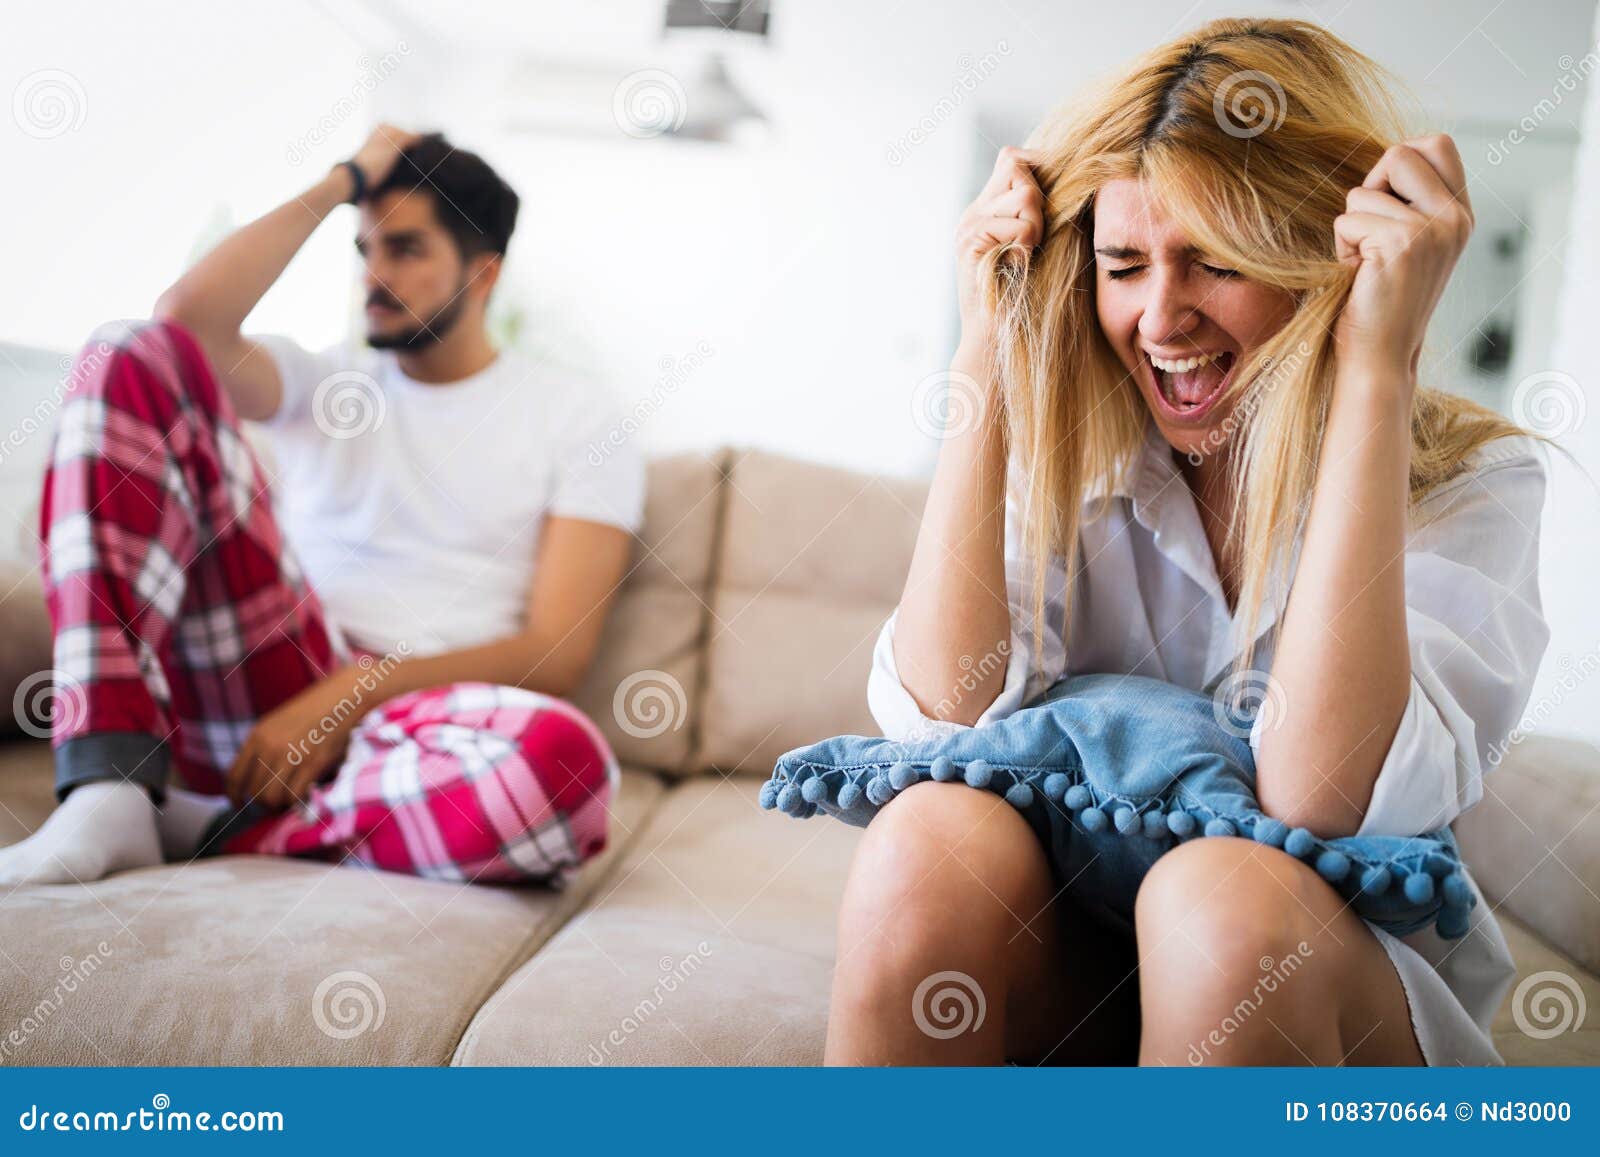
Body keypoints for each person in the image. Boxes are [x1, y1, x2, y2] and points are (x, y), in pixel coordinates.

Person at [833, 18, 1549, 1066]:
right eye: (1122, 265)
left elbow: (1319, 798)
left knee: (1216, 895)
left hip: (1311, 982)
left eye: (1211, 262)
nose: (1160, 317)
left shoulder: (1473, 481)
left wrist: (1373, 368)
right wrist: (988, 342)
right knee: (925, 836)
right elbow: (941, 717)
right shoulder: (1069, 455)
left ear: (1317, 260)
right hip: (1073, 956)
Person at [0, 127, 643, 888]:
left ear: (483, 274)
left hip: (423, 722)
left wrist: (352, 694)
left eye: (404, 249)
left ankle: (202, 822)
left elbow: (555, 651)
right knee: (125, 349)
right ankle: (110, 784)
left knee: (565, 769)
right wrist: (341, 181)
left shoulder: (578, 414)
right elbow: (183, 319)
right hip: (263, 684)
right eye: (364, 249)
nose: (374, 273)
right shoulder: (325, 382)